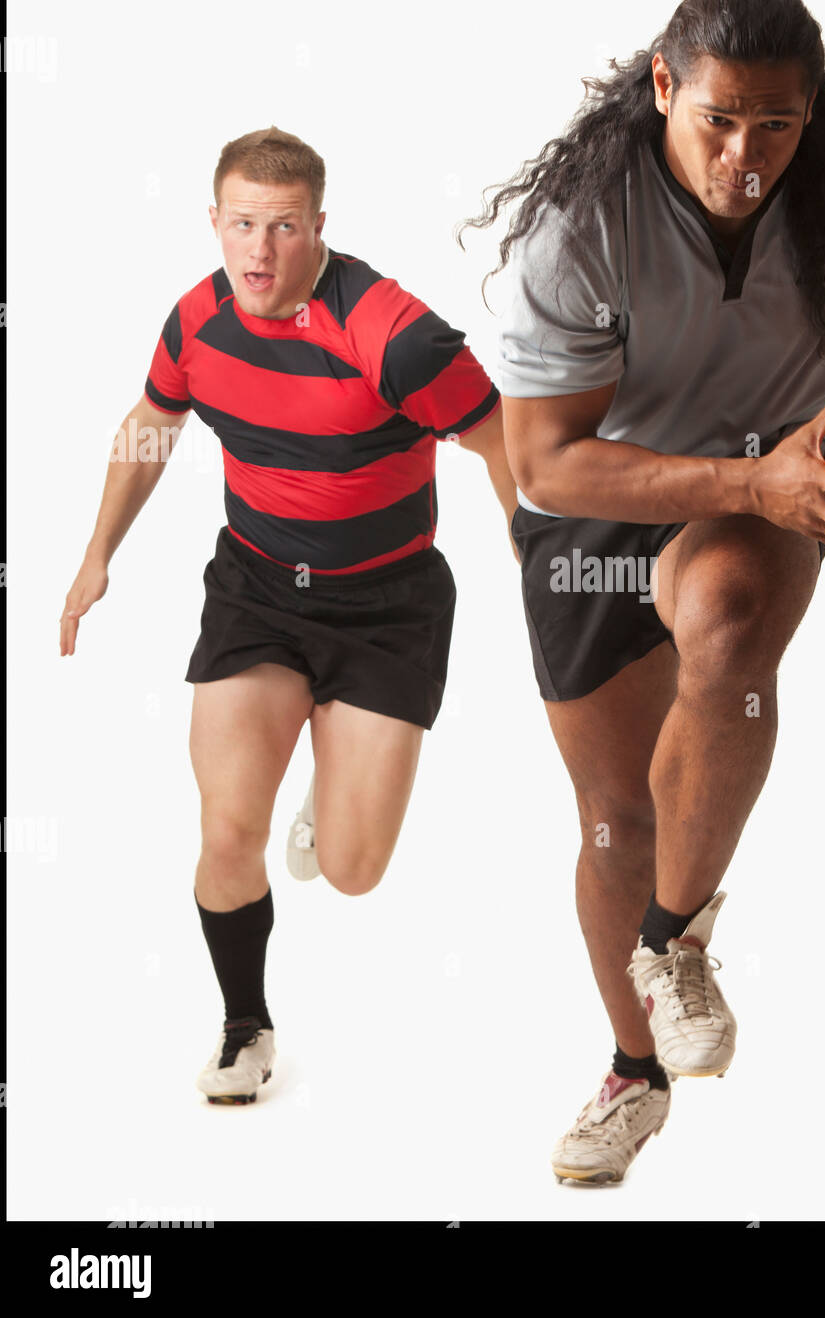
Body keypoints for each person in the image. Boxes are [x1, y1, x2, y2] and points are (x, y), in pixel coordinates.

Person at [460, 0, 825, 1183]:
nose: (745, 152)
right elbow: (546, 461)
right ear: (664, 85)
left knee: (725, 622)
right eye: (718, 117)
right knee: (618, 817)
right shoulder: (582, 224)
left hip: (794, 468)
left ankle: (672, 941)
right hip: (599, 502)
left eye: (776, 123)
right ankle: (636, 1072)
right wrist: (745, 484)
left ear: (811, 111)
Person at [60, 126, 516, 1104]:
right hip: (258, 592)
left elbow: (503, 441)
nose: (258, 251)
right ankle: (243, 1027)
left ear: (318, 227)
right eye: (240, 226)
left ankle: (337, 774)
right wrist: (98, 554)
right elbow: (150, 424)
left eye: (282, 227)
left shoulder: (395, 334)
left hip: (387, 606)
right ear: (214, 225)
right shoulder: (198, 320)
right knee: (228, 829)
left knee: (351, 871)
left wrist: (541, 558)